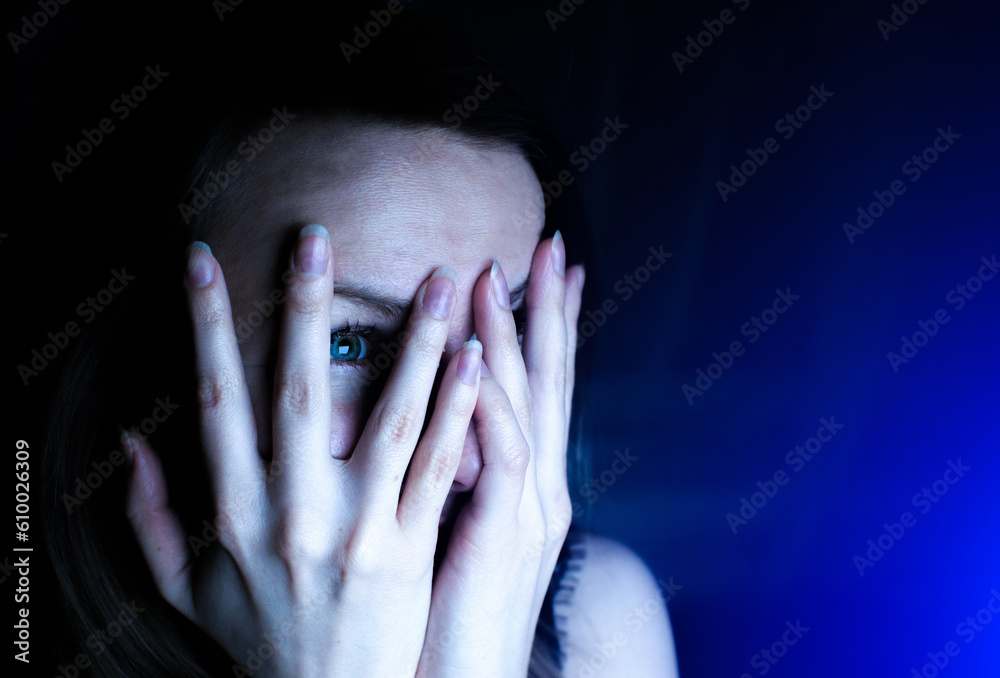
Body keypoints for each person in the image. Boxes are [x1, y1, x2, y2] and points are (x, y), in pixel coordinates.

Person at [42, 4, 678, 676]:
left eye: (510, 333)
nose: (465, 459)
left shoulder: (600, 627)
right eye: (352, 345)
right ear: (148, 368)